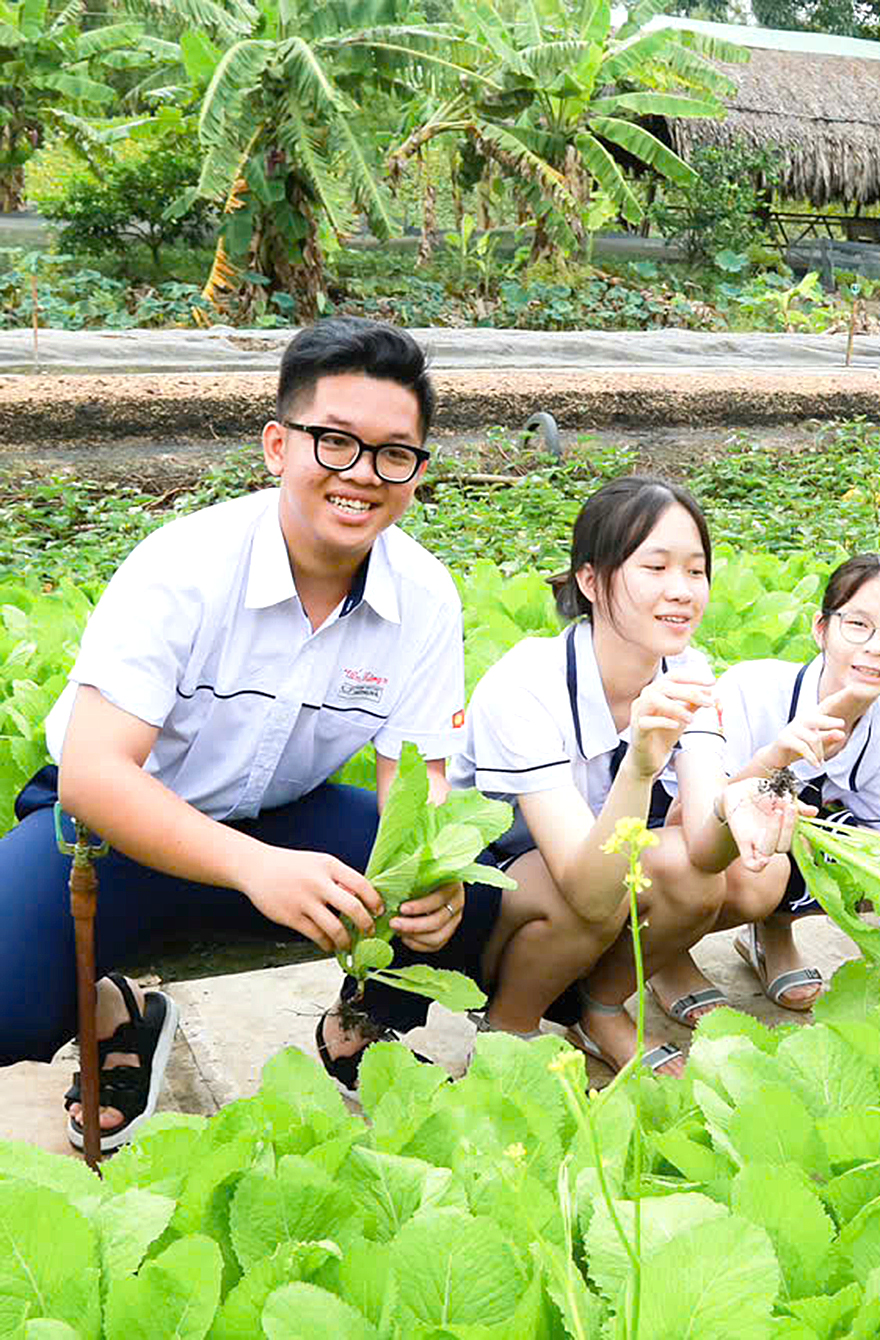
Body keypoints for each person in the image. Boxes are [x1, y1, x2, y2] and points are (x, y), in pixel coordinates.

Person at [0, 317, 468, 1149]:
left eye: (394, 453)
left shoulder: (424, 597)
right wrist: (254, 870)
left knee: (482, 891)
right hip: (117, 826)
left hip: (285, 818)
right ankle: (120, 1012)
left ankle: (362, 1025)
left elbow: (417, 791)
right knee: (4, 1001)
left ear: (417, 469)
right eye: (335, 443)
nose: (362, 475)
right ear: (278, 446)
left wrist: (428, 880)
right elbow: (94, 773)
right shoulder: (184, 567)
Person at [441, 476, 800, 1077]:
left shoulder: (686, 668)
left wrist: (746, 805)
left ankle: (599, 1007)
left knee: (745, 879)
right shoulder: (525, 684)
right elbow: (586, 887)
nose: (682, 591)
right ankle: (510, 1025)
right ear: (590, 579)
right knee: (604, 888)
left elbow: (706, 851)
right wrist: (639, 765)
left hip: (595, 879)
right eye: (655, 567)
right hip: (487, 901)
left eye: (695, 570)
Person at [708, 553, 880, 1008]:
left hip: (784, 854)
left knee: (864, 850)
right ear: (821, 628)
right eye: (857, 625)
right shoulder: (750, 689)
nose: (876, 648)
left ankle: (772, 933)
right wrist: (776, 760)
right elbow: (699, 812)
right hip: (707, 848)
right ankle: (666, 959)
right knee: (759, 867)